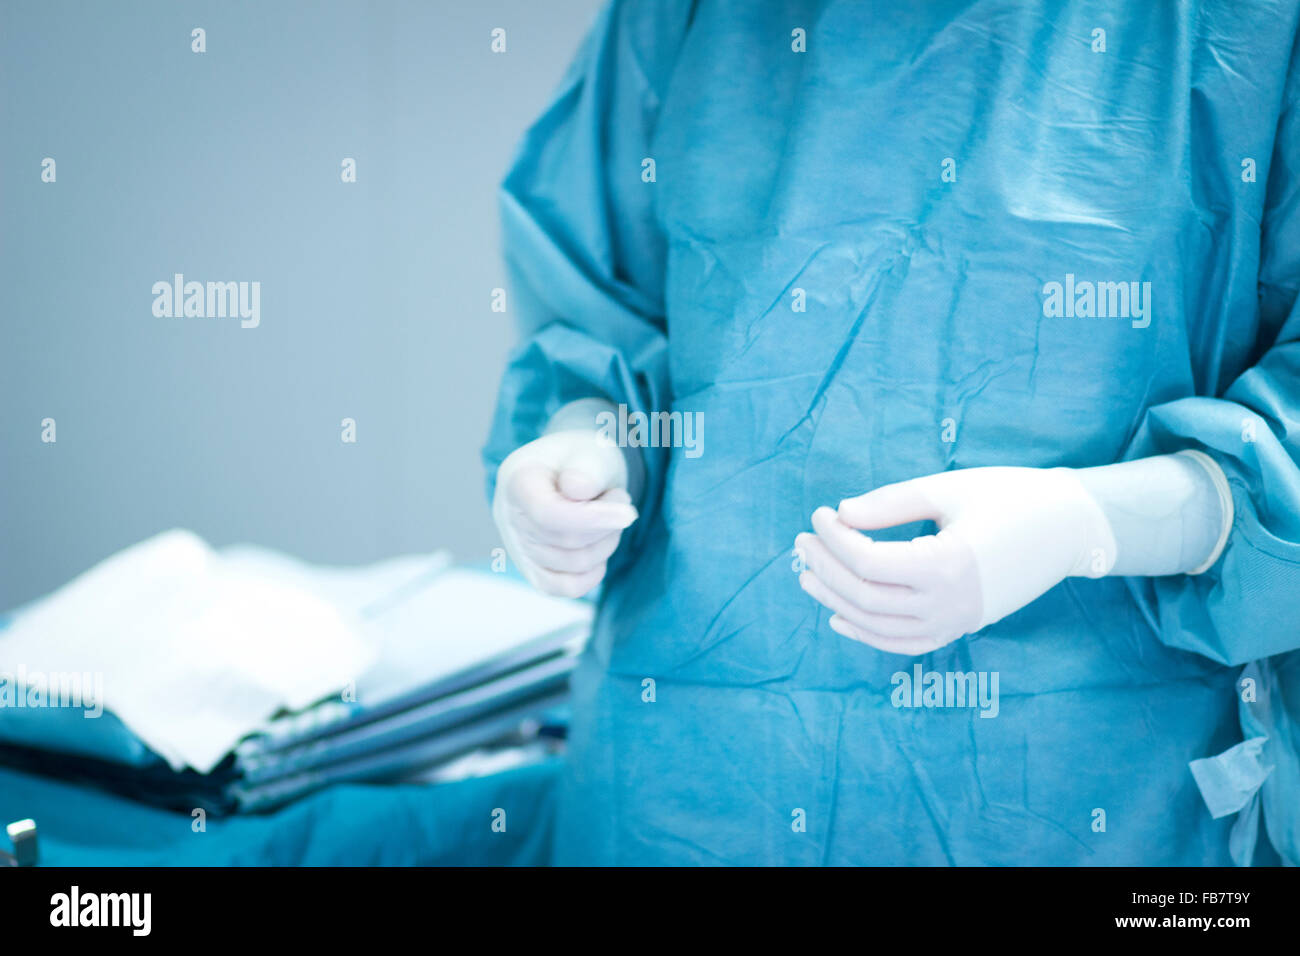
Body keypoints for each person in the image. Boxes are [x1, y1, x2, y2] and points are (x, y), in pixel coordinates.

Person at [484, 0, 1300, 865]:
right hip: (693, 793)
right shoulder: (691, 18)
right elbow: (600, 309)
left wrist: (1096, 522)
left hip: (1111, 809)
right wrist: (589, 447)